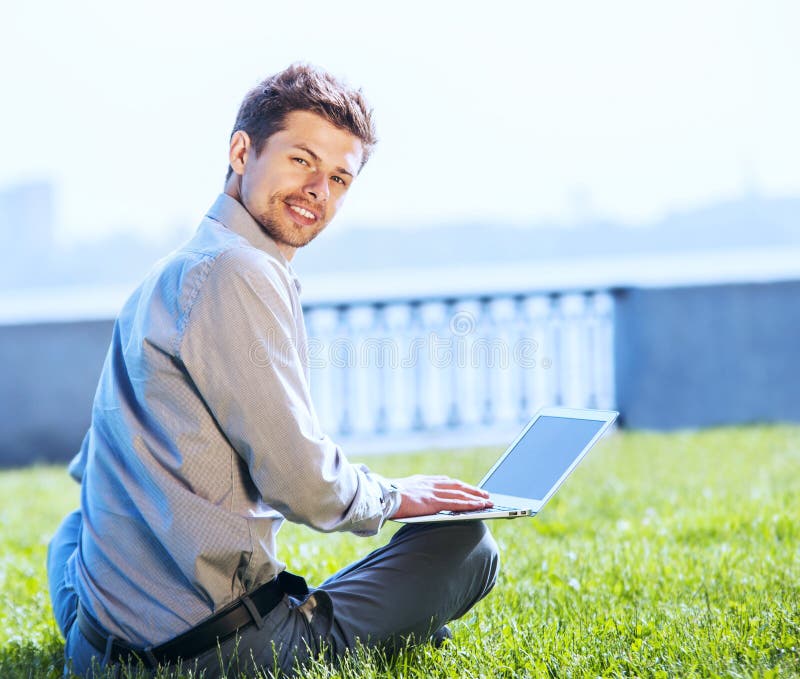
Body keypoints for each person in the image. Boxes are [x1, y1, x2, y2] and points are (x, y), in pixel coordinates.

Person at [47, 63, 499, 678]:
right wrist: (396, 495)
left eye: (340, 177)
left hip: (96, 639)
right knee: (468, 545)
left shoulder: (173, 268)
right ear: (242, 151)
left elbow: (90, 463)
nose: (320, 188)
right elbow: (305, 487)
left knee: (72, 534)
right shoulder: (238, 271)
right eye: (301, 161)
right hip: (207, 654)